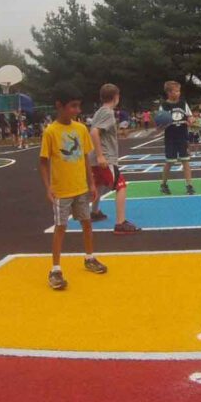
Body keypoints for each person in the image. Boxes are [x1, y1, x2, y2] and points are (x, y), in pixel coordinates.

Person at [41, 85, 107, 290]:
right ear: (59, 106)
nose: (77, 110)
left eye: (79, 106)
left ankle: (89, 257)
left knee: (87, 223)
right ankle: (55, 269)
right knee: (60, 227)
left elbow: (85, 157)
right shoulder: (51, 132)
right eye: (73, 106)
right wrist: (48, 187)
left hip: (80, 188)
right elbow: (43, 162)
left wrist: (91, 183)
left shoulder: (80, 129)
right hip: (61, 191)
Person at [89, 82, 140, 234]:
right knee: (121, 186)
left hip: (94, 157)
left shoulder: (100, 111)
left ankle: (94, 212)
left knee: (99, 184)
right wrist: (100, 156)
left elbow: (99, 131)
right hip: (105, 157)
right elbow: (94, 132)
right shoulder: (108, 113)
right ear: (116, 97)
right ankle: (120, 223)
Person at [158, 80, 196, 196]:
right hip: (170, 138)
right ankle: (163, 184)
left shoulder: (183, 103)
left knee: (185, 160)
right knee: (170, 162)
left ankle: (189, 185)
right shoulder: (164, 106)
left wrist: (191, 120)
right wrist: (164, 124)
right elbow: (160, 125)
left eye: (179, 91)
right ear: (169, 93)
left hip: (182, 136)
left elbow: (190, 116)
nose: (178, 93)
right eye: (176, 91)